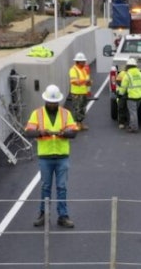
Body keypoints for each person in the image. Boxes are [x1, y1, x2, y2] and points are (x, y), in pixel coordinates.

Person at [24, 85, 78, 227]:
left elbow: (74, 132)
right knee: (45, 187)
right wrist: (41, 132)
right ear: (45, 100)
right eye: (50, 102)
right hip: (45, 156)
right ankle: (44, 215)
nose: (53, 104)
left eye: (55, 102)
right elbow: (28, 132)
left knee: (62, 187)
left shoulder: (66, 113)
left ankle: (63, 216)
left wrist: (64, 133)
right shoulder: (37, 114)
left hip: (62, 156)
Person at [117, 57, 141, 132]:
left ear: (127, 66)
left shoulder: (128, 75)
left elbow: (123, 86)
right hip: (140, 96)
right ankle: (131, 125)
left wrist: (120, 94)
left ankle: (134, 128)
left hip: (131, 97)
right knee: (134, 111)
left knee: (133, 113)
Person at [68, 52, 92, 130]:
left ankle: (81, 123)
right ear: (78, 61)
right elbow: (73, 81)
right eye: (83, 61)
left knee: (82, 109)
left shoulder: (83, 70)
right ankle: (77, 124)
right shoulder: (73, 70)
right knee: (77, 109)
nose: (84, 63)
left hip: (83, 92)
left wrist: (89, 83)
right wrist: (85, 81)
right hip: (76, 93)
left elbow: (86, 80)